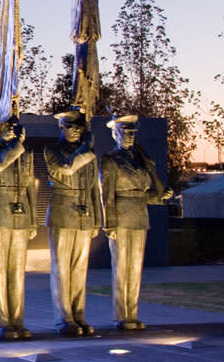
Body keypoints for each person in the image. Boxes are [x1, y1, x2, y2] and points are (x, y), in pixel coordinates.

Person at [100, 115, 173, 330]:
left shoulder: (141, 161)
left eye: (132, 133)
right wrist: (109, 223)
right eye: (125, 132)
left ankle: (132, 314)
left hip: (139, 216)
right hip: (120, 217)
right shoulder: (110, 160)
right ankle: (121, 314)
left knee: (135, 268)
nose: (129, 136)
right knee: (121, 268)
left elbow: (142, 194)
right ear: (116, 134)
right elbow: (107, 195)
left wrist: (159, 197)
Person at [0, 115, 37, 340]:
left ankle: (17, 320)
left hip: (20, 213)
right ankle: (1, 321)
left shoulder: (23, 150)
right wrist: (17, 145)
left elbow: (29, 185)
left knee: (17, 271)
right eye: (7, 125)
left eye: (14, 125)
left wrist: (32, 220)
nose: (11, 129)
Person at [43, 110, 101, 336]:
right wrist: (86, 149)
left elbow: (95, 188)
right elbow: (65, 168)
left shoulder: (88, 153)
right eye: (70, 126)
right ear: (61, 127)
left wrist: (97, 218)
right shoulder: (53, 150)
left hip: (84, 213)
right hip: (63, 211)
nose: (75, 130)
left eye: (78, 127)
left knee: (79, 268)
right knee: (61, 268)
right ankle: (64, 317)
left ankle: (79, 315)